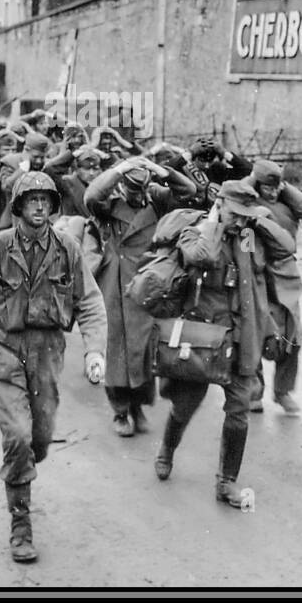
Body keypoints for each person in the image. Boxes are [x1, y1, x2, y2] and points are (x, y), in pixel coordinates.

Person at [0, 171, 107, 563]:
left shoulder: (68, 248)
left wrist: (94, 351)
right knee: (19, 437)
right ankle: (21, 526)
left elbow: (90, 302)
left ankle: (22, 462)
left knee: (40, 438)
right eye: (32, 201)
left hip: (47, 351)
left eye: (46, 201)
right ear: (19, 207)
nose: (40, 208)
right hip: (4, 348)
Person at [153, 180, 294, 507]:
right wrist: (215, 223)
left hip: (241, 337)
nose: (240, 220)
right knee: (184, 406)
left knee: (239, 412)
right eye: (235, 212)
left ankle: (226, 481)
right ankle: (167, 449)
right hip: (205, 339)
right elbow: (202, 256)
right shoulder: (194, 231)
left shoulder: (247, 235)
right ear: (219, 203)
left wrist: (256, 220)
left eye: (246, 214)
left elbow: (283, 250)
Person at [85, 154, 198, 437]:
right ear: (122, 186)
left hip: (148, 281)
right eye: (132, 189)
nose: (138, 196)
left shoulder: (157, 201)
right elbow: (91, 196)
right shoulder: (108, 207)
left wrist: (162, 171)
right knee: (117, 347)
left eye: (142, 189)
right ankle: (120, 410)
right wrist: (118, 169)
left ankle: (139, 406)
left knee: (145, 348)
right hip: (115, 281)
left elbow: (189, 192)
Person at [244, 159, 302, 414]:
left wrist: (283, 184)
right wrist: (253, 177)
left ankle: (282, 391)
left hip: (286, 274)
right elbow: (235, 194)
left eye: (276, 187)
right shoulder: (249, 203)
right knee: (256, 332)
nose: (272, 192)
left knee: (293, 334)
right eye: (267, 187)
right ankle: (254, 391)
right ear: (258, 185)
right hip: (257, 272)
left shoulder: (288, 205)